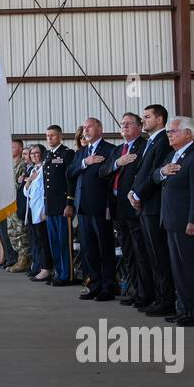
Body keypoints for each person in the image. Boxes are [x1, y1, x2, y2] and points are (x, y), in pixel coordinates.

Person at [154, 116, 194, 326]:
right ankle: (184, 309)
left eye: (173, 131)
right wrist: (162, 171)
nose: (169, 134)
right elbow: (154, 176)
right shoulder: (173, 155)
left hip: (188, 223)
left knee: (191, 269)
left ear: (187, 134)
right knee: (178, 270)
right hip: (171, 220)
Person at [129, 103, 175, 315]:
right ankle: (157, 296)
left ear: (159, 119)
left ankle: (166, 300)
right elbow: (141, 172)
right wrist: (132, 192)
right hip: (145, 205)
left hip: (155, 205)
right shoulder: (150, 141)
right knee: (151, 256)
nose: (143, 120)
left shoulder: (164, 140)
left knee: (159, 256)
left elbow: (156, 173)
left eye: (147, 117)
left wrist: (139, 194)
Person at [69, 117, 116, 301]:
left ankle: (108, 286)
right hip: (83, 207)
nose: (85, 130)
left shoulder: (110, 150)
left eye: (89, 127)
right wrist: (85, 163)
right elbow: (70, 173)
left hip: (100, 206)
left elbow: (109, 176)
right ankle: (94, 284)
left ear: (100, 128)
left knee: (105, 248)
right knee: (89, 249)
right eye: (84, 127)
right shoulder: (82, 153)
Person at [103, 113, 144, 303]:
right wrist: (118, 163)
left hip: (134, 206)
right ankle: (136, 290)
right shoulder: (119, 149)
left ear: (139, 127)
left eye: (129, 124)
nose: (124, 126)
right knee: (128, 251)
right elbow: (102, 171)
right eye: (122, 124)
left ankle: (145, 292)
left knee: (140, 251)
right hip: (117, 207)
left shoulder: (143, 146)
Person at [42, 125, 76, 286]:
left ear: (60, 136)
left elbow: (70, 180)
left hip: (63, 205)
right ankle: (58, 272)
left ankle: (67, 275)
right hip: (50, 206)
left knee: (64, 242)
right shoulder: (48, 155)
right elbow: (45, 183)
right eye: (48, 136)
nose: (50, 138)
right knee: (54, 241)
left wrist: (70, 202)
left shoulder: (67, 154)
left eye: (53, 135)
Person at [23, 144, 51, 282]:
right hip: (33, 210)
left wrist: (30, 181)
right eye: (31, 153)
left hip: (42, 210)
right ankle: (40, 266)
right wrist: (29, 182)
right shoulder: (34, 169)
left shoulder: (45, 168)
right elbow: (26, 192)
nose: (33, 155)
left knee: (44, 241)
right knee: (37, 241)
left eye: (36, 153)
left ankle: (46, 269)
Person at [6, 140, 29, 273]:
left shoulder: (22, 165)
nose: (11, 149)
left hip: (18, 202)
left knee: (21, 232)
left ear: (20, 149)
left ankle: (24, 259)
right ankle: (18, 258)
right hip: (9, 203)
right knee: (11, 231)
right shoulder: (9, 165)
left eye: (13, 147)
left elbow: (19, 185)